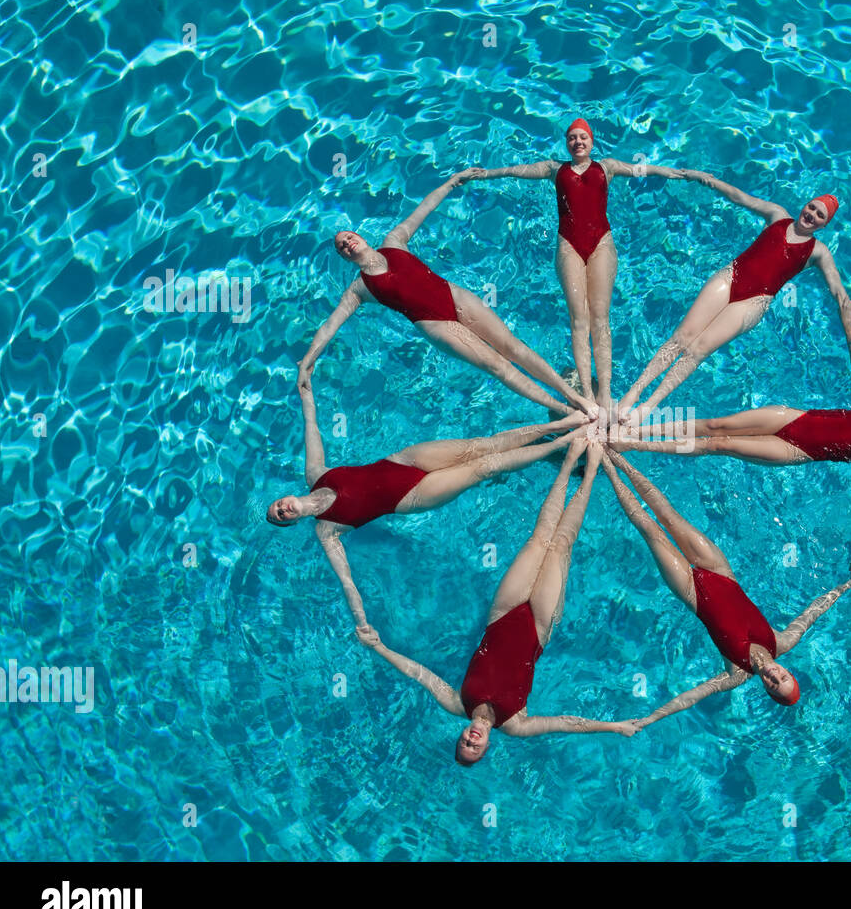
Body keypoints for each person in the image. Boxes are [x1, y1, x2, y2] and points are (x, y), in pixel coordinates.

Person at [357, 440, 642, 764]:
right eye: (474, 748)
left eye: (463, 742)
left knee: (539, 538)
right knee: (561, 545)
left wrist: (378, 647)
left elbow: (419, 674)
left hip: (503, 611)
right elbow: (564, 724)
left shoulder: (457, 702)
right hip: (539, 623)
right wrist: (613, 726)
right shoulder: (516, 724)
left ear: (461, 735)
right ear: (486, 747)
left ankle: (571, 460)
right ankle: (591, 471)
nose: (470, 740)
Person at [265, 361, 587, 636]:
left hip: (404, 460)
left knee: (482, 446)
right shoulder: (327, 530)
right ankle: (565, 446)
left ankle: (563, 427)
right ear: (290, 521)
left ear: (284, 497)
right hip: (413, 495)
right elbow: (346, 579)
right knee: (483, 468)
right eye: (281, 516)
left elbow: (312, 427)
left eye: (278, 505)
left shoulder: (314, 474)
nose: (283, 509)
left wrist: (305, 390)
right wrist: (362, 622)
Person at [612, 315, 851, 583]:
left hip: (793, 449)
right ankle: (639, 427)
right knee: (714, 425)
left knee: (718, 444)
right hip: (791, 417)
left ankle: (633, 444)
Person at [298, 170, 593, 415]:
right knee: (497, 365)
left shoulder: (394, 240)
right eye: (341, 247)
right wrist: (308, 361)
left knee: (512, 348)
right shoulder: (359, 289)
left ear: (359, 236)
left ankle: (573, 396)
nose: (347, 243)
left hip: (455, 296)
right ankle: (565, 412)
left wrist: (452, 182)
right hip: (436, 324)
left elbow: (423, 209)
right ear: (345, 257)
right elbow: (329, 326)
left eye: (348, 237)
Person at [601, 449, 851, 707]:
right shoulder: (782, 641)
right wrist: (848, 584)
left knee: (650, 529)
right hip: (719, 570)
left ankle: (607, 466)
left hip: (690, 591)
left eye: (774, 685)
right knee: (668, 515)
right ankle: (616, 455)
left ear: (767, 690)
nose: (774, 676)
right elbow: (812, 612)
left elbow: (693, 696)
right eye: (784, 677)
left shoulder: (737, 674)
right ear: (789, 671)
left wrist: (651, 717)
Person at [474, 117, 690, 410]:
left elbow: (642, 169)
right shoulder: (554, 169)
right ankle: (587, 393)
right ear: (567, 143)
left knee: (600, 318)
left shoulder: (608, 167)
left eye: (582, 137)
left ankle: (605, 392)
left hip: (602, 244)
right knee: (579, 319)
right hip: (568, 246)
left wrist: (678, 174)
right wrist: (486, 174)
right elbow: (517, 171)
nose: (577, 142)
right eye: (572, 138)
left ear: (591, 142)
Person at [617, 179, 850, 422]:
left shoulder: (818, 251)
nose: (811, 214)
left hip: (755, 301)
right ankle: (634, 392)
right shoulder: (778, 215)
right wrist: (707, 180)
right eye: (811, 207)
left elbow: (837, 289)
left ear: (824, 225)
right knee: (681, 338)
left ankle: (649, 405)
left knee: (698, 349)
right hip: (731, 277)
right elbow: (739, 196)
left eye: (819, 215)